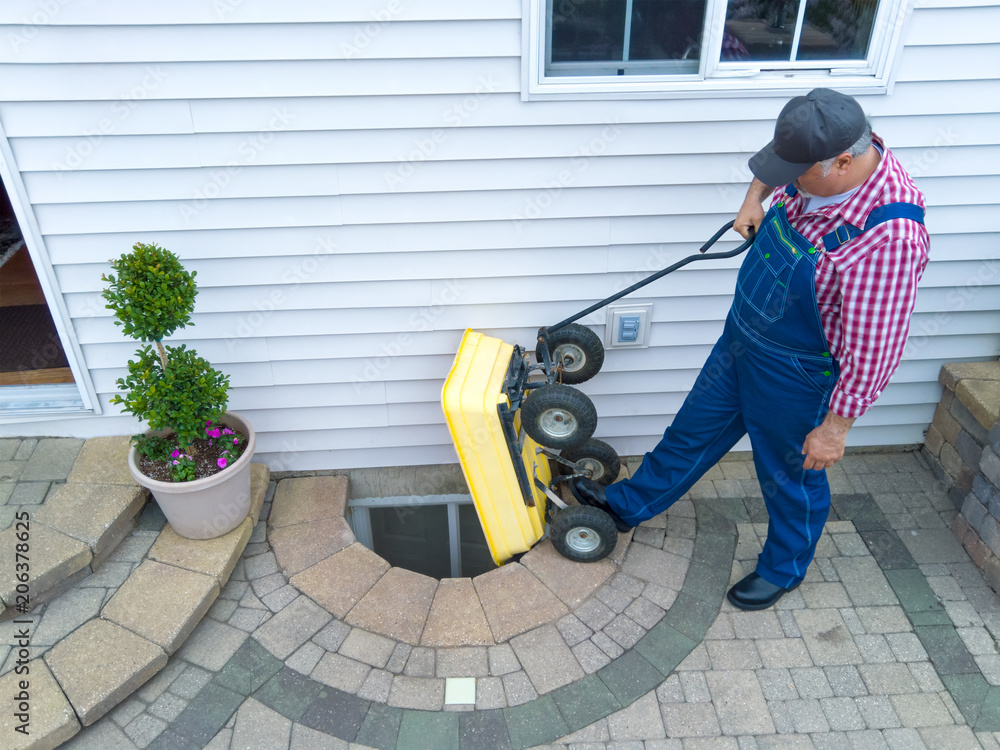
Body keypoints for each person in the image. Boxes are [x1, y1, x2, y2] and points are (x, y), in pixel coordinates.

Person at [571, 88, 930, 610]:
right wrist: (752, 198)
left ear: (843, 162)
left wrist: (835, 428)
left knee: (789, 477)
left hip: (797, 374)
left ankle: (784, 569)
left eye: (796, 172)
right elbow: (779, 163)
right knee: (690, 433)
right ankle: (629, 505)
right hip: (743, 338)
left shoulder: (889, 236)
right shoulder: (822, 144)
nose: (787, 178)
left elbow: (876, 348)